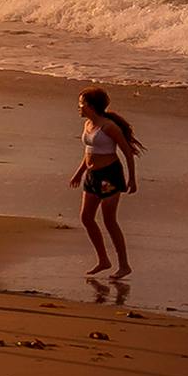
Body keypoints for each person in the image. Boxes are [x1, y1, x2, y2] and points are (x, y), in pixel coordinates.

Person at [72, 88, 141, 275]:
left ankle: (124, 265)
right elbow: (88, 152)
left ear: (91, 106)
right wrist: (79, 173)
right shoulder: (88, 124)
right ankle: (103, 260)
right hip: (92, 176)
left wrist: (132, 179)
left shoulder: (109, 127)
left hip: (109, 175)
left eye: (82, 103)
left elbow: (127, 153)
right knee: (86, 218)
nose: (79, 107)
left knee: (109, 221)